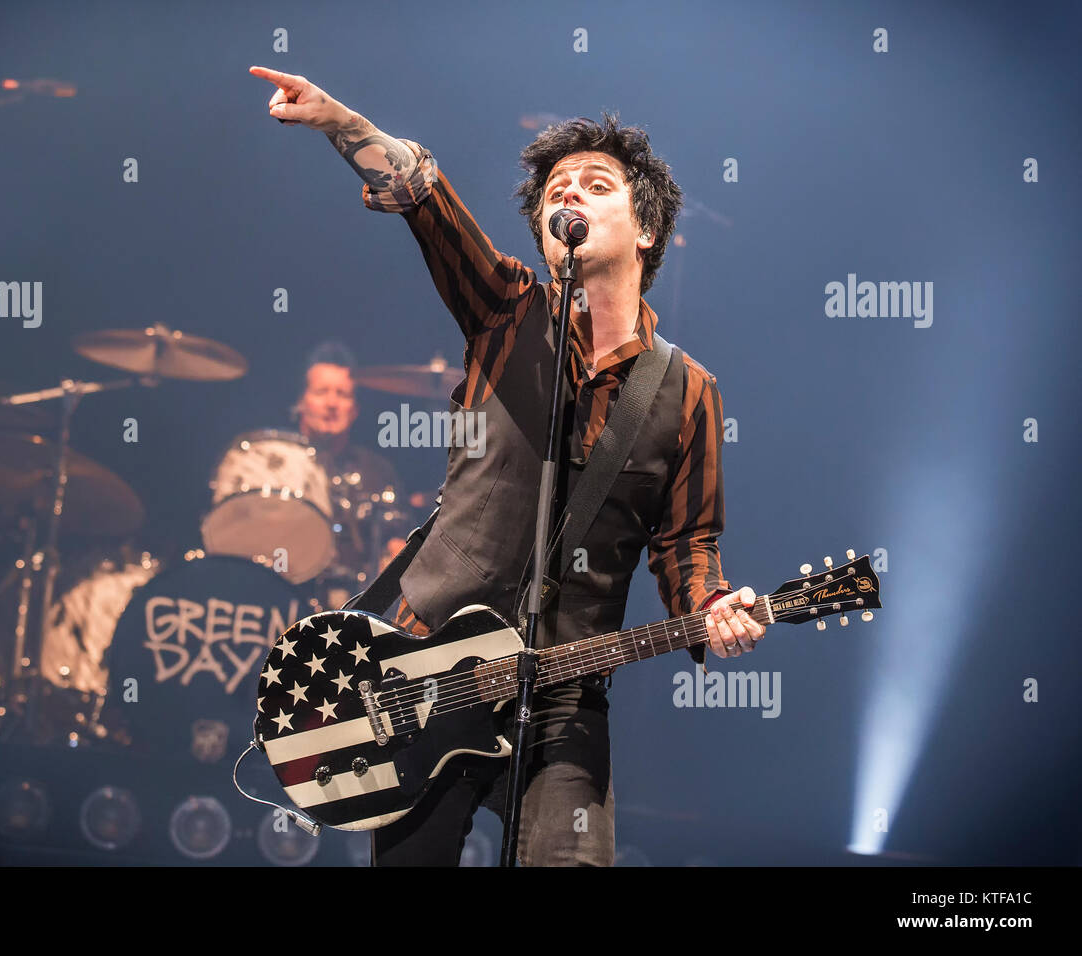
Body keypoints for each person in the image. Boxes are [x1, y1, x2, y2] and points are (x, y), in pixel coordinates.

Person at [250, 66, 767, 867]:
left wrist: (713, 605)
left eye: (596, 185)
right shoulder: (508, 311)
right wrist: (341, 122)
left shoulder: (689, 392)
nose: (571, 195)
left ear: (646, 230)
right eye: (557, 190)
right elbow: (427, 202)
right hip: (424, 672)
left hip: (562, 691)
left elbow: (686, 545)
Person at [291, 341, 406, 605]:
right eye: (321, 392)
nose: (332, 403)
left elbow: (398, 546)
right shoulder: (276, 462)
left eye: (342, 394)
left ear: (355, 409)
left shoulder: (378, 471)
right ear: (301, 402)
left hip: (353, 608)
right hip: (284, 596)